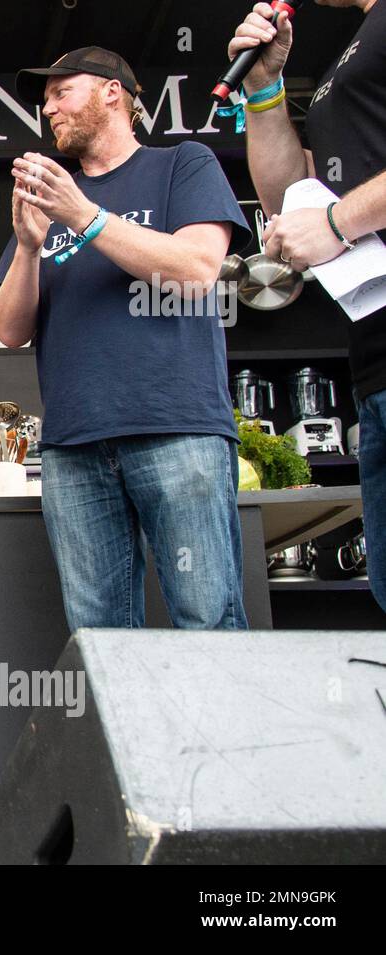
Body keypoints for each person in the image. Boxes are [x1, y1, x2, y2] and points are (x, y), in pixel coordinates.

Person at [0, 48, 252, 632]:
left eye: (62, 93)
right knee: (98, 637)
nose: (48, 107)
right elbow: (9, 330)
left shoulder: (182, 163)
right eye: (45, 99)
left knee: (207, 622)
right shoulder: (50, 201)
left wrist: (85, 216)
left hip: (177, 428)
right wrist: (31, 246)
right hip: (74, 445)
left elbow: (195, 271)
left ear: (114, 93)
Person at [228, 0, 386, 609]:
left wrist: (339, 222)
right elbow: (287, 197)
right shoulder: (354, 46)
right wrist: (263, 90)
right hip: (372, 355)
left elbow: (325, 219)